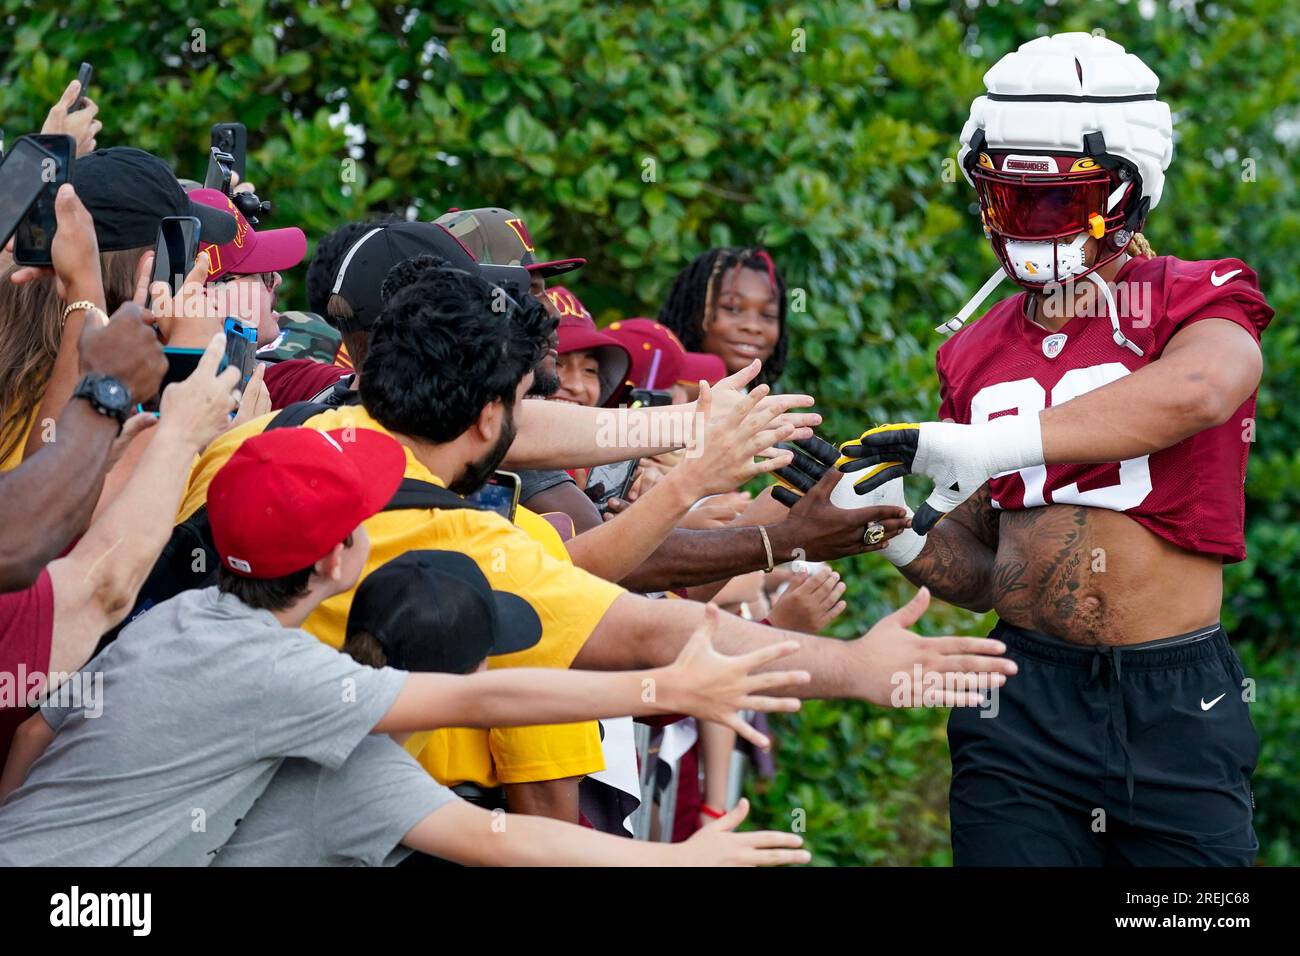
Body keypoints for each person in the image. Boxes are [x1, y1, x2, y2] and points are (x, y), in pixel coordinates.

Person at [175, 264, 1017, 729]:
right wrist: (856, 668)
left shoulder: (265, 441)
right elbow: (655, 627)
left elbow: (518, 430)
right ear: (491, 409)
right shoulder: (459, 543)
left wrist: (681, 434)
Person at [835, 33, 1270, 866]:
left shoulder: (1190, 292)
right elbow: (987, 573)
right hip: (1022, 697)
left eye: (1060, 202)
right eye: (1012, 199)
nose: (1033, 225)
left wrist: (995, 440)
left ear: (1132, 189)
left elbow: (1203, 389)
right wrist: (892, 529)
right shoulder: (971, 348)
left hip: (1173, 699)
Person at [0, 426, 809, 865]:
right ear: (335, 562)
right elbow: (485, 707)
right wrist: (666, 692)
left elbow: (38, 727)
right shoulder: (291, 681)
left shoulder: (182, 617)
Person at [206, 550, 809, 867]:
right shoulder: (367, 776)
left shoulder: (321, 687)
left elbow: (511, 699)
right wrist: (675, 861)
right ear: (468, 672)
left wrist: (669, 687)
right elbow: (514, 844)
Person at [0, 147, 236, 471]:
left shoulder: (18, 366)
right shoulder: (94, 410)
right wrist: (193, 359)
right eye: (189, 251)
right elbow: (51, 500)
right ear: (151, 268)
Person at [657, 247, 787, 385]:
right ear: (694, 309)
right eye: (732, 308)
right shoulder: (655, 398)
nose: (752, 326)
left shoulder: (764, 404)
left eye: (768, 315)